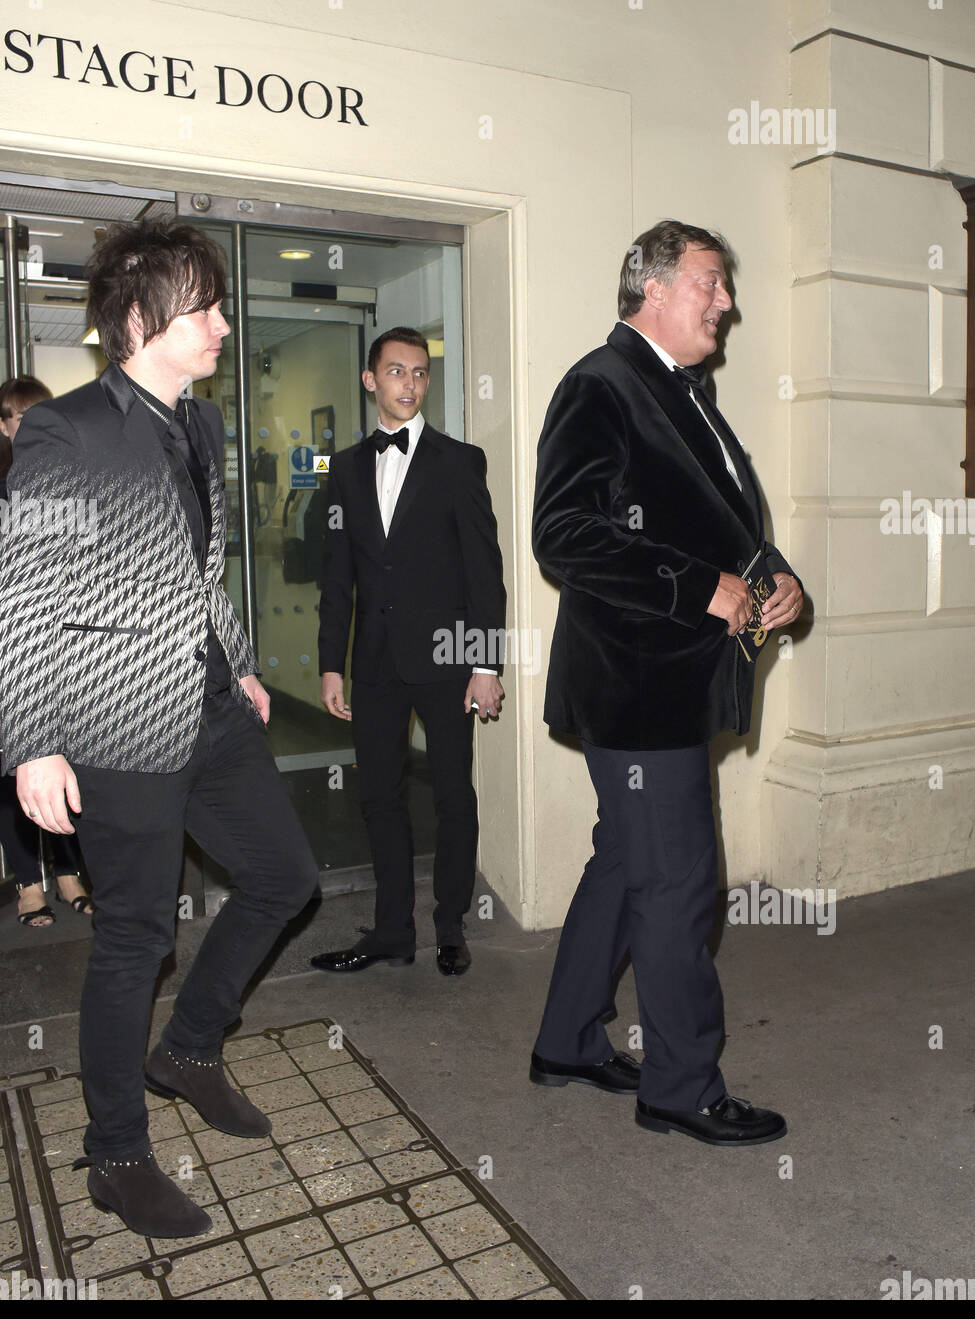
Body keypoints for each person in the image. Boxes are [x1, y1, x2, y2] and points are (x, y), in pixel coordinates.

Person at [0, 220, 319, 1237]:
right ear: (140, 319)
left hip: (212, 706)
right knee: (136, 934)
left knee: (284, 878)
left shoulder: (206, 425)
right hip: (113, 723)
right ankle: (116, 1153)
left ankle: (187, 1046)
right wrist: (32, 739)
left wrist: (243, 661)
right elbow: (23, 595)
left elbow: (199, 568)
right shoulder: (68, 430)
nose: (224, 324)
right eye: (206, 308)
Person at [530, 220, 804, 1146]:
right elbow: (564, 533)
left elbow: (717, 523)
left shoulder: (684, 392)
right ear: (653, 288)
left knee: (628, 865)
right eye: (711, 283)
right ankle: (681, 1087)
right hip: (635, 689)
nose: (726, 302)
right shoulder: (599, 384)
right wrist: (701, 590)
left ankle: (568, 1040)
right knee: (680, 883)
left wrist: (775, 572)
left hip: (670, 684)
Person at [312, 327, 505, 978]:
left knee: (453, 795)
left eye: (420, 373)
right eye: (396, 372)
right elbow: (336, 576)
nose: (410, 383)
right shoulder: (341, 469)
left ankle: (449, 926)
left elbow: (484, 573)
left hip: (450, 660)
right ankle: (392, 930)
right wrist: (330, 662)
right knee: (380, 800)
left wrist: (485, 665)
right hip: (372, 663)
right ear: (371, 380)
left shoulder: (459, 462)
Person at [0, 377, 93, 926]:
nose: (23, 424)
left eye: (34, 414)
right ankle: (27, 883)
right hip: (9, 648)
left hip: (63, 651)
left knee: (67, 765)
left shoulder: (69, 482)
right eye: (13, 416)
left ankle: (65, 872)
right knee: (12, 773)